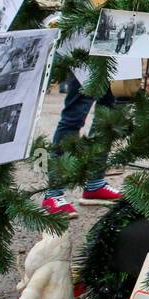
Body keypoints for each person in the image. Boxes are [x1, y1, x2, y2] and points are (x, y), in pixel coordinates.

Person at [41, 73, 125, 216]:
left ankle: (95, 184)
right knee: (74, 117)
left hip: (117, 57)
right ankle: (53, 194)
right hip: (86, 57)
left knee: (107, 115)